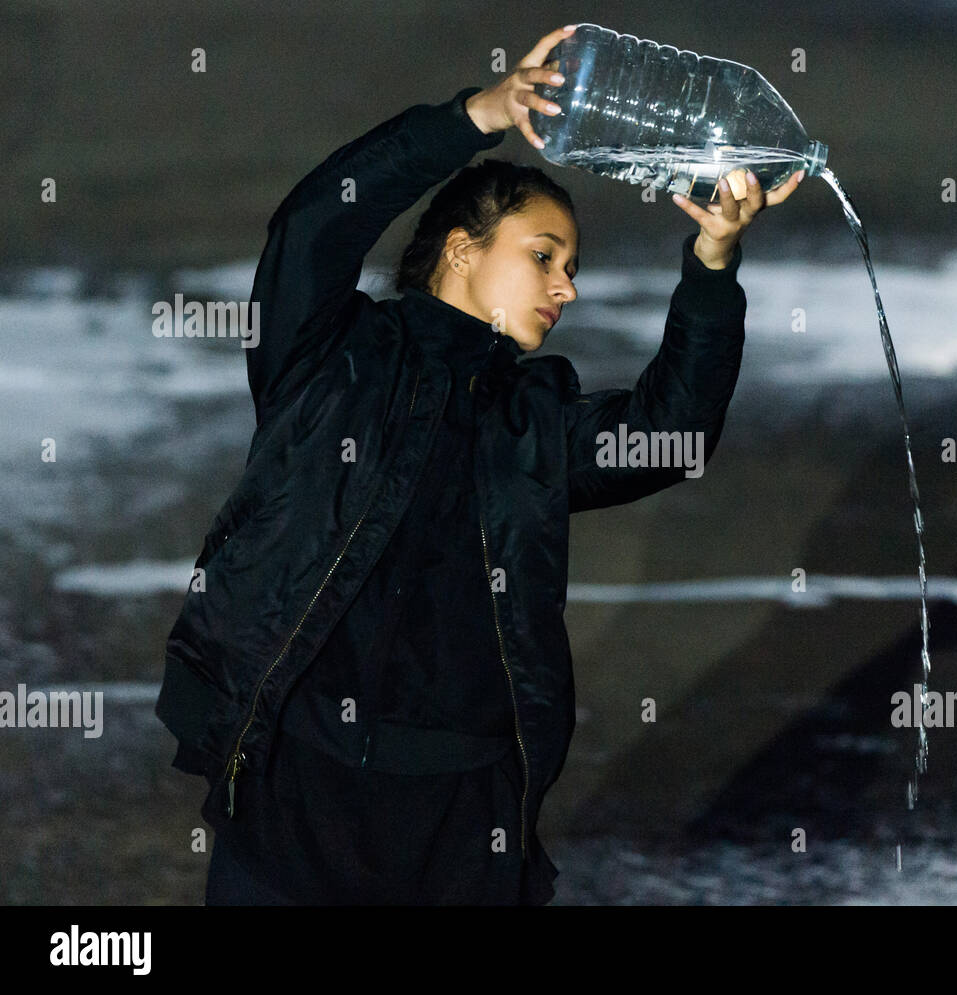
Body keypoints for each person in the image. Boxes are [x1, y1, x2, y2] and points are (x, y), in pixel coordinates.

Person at [156, 24, 803, 906]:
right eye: (543, 258)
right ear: (461, 250)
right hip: (293, 797)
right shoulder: (329, 356)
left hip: (459, 826)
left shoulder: (533, 421)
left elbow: (672, 428)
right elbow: (317, 219)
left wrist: (714, 260)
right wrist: (478, 115)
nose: (565, 289)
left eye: (571, 269)